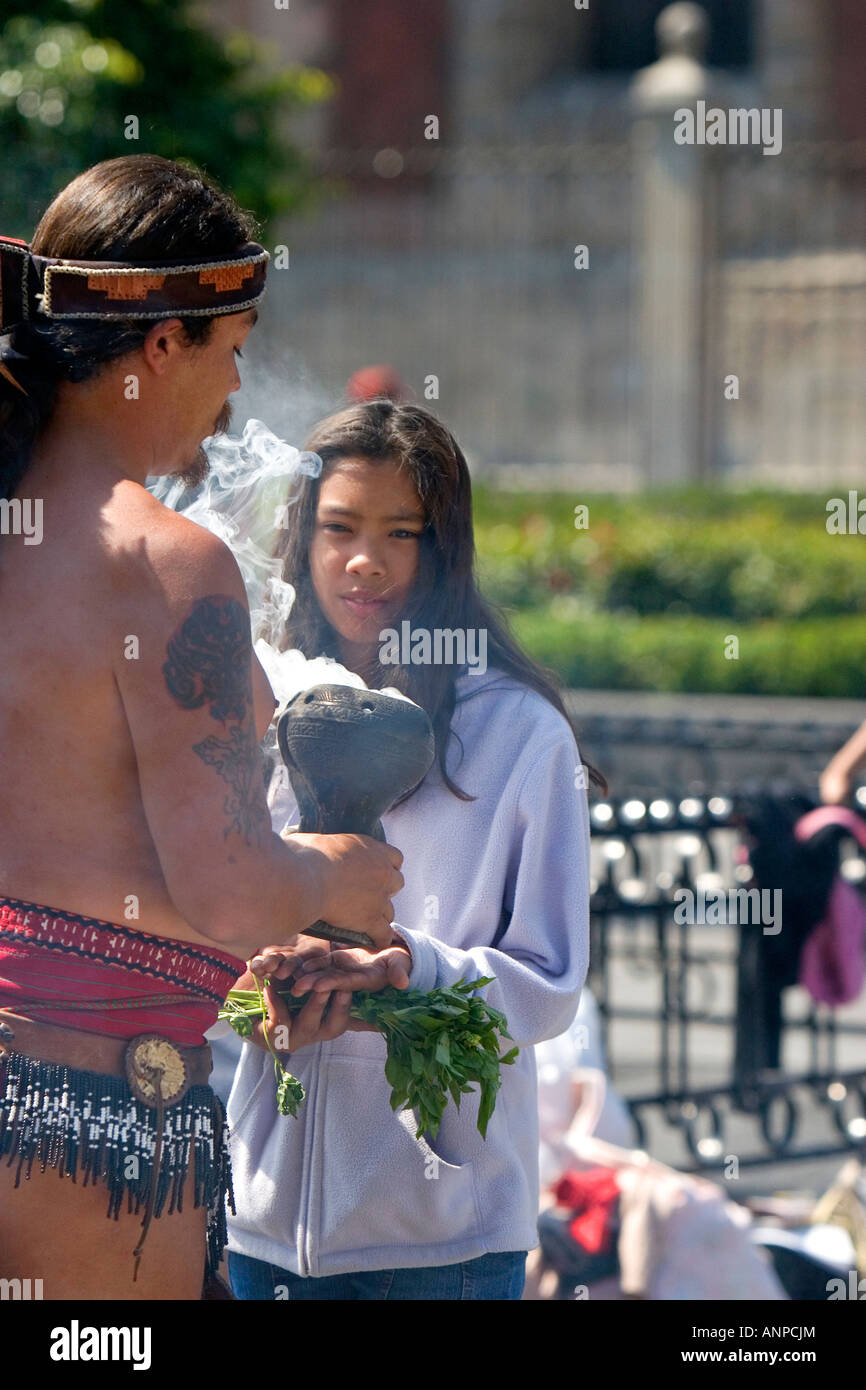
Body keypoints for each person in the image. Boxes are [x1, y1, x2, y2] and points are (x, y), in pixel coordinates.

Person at [0, 157, 402, 1301]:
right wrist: (336, 872)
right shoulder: (166, 562)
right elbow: (226, 887)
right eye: (229, 346)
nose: (235, 388)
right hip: (86, 1112)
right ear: (159, 344)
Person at [216, 399, 595, 1300]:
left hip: (443, 1242)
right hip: (260, 1226)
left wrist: (408, 967)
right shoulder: (250, 710)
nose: (364, 561)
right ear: (301, 539)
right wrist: (263, 988)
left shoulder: (521, 735)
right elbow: (206, 924)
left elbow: (550, 986)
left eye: (402, 532)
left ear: (445, 549)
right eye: (338, 526)